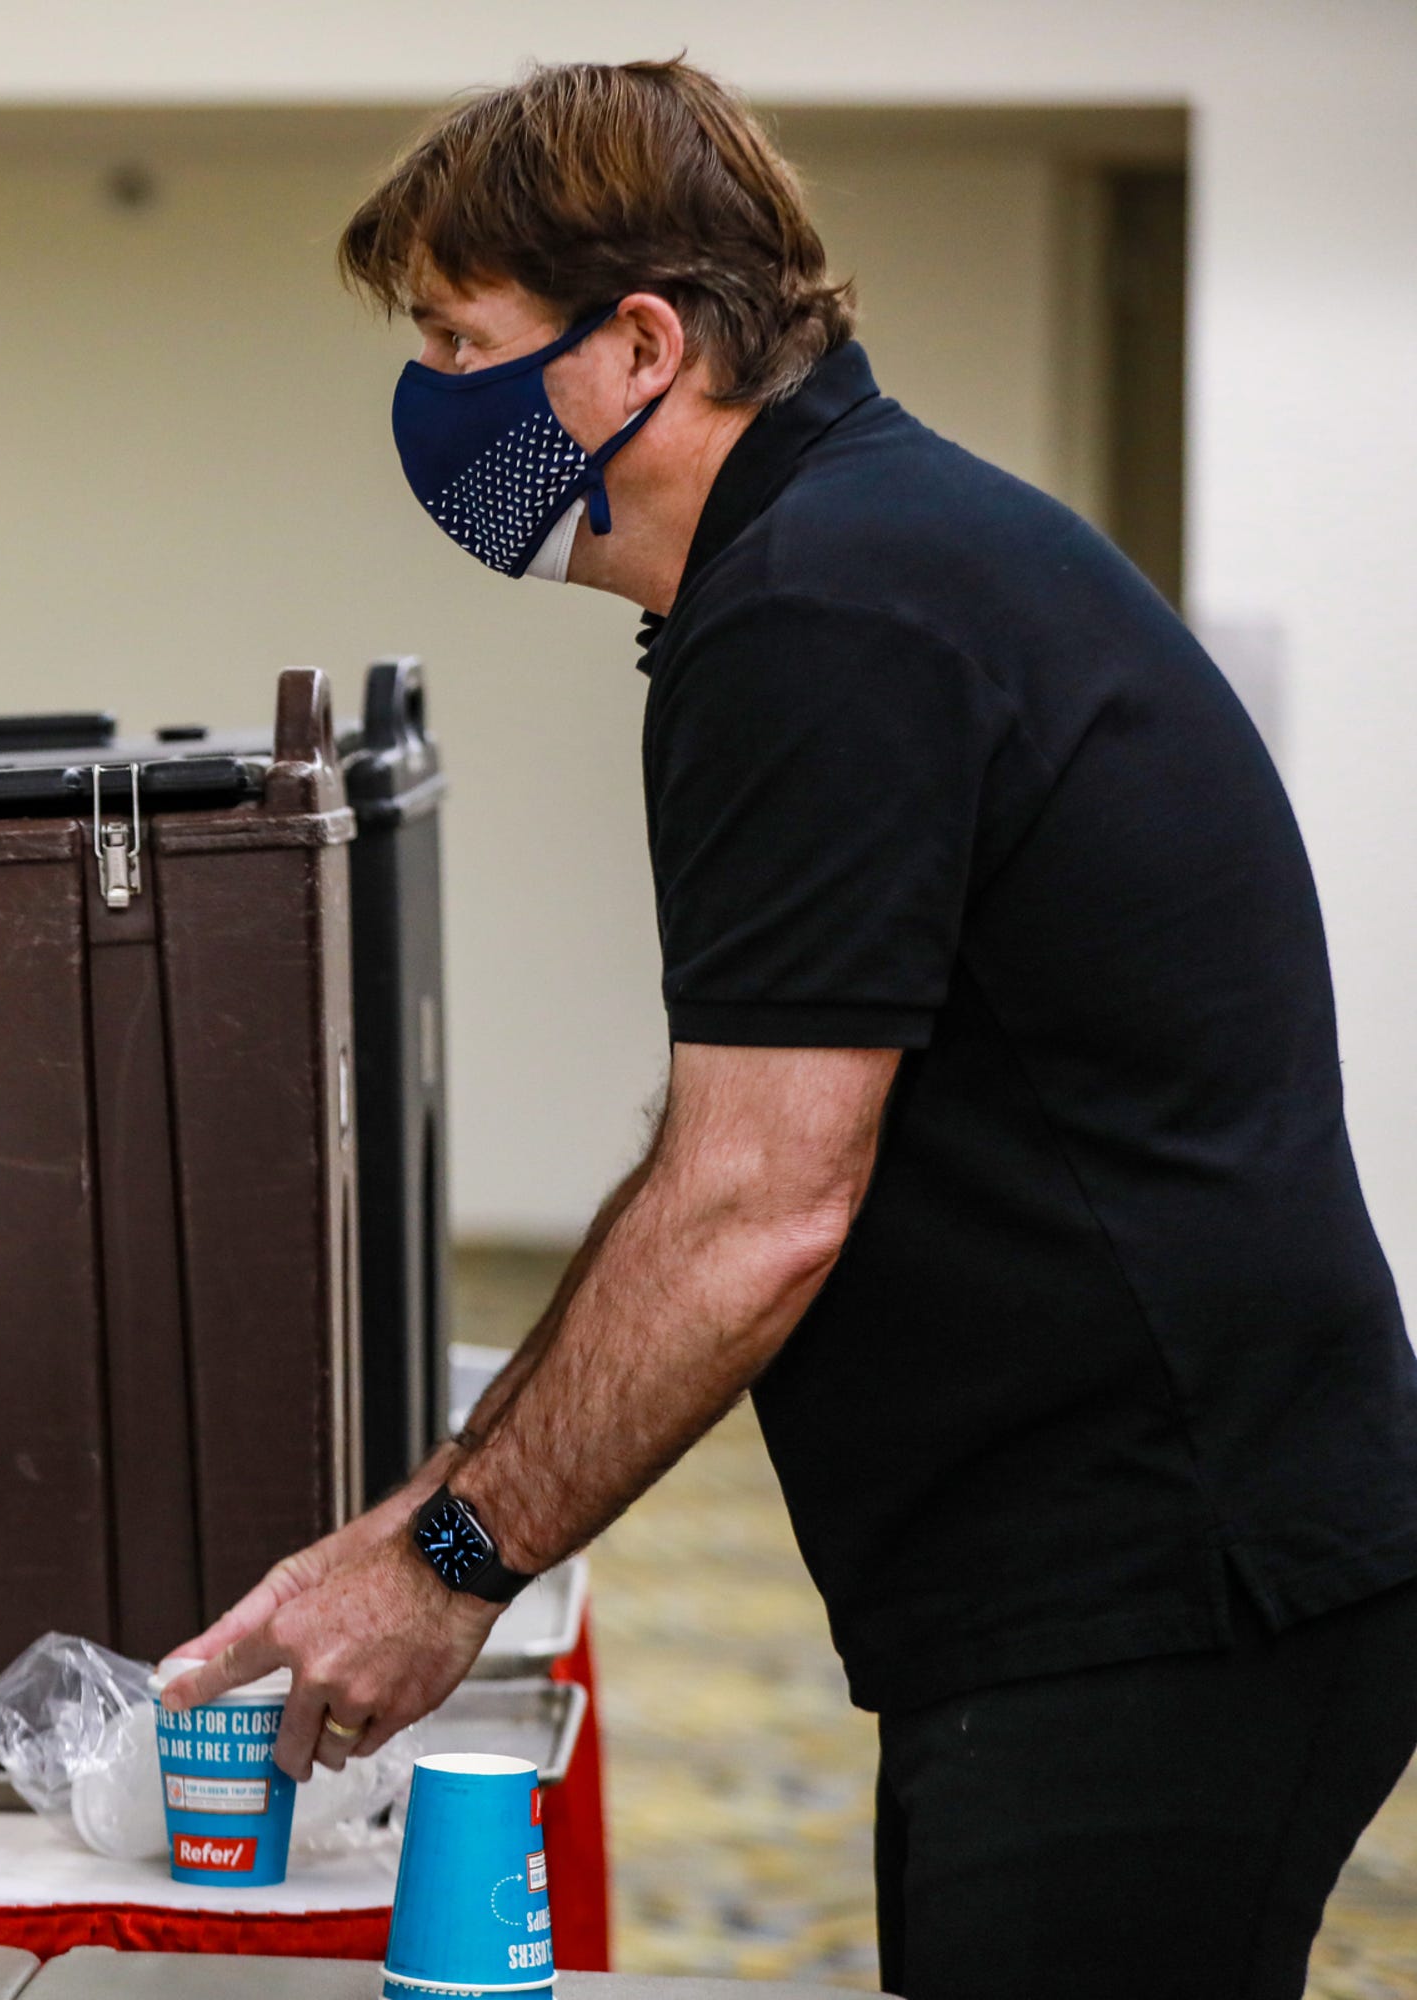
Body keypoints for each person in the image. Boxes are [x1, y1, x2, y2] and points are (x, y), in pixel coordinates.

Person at [168, 59, 1417, 1996]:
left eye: (461, 342)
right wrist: (450, 1490)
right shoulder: (854, 552)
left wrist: (445, 1565)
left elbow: (759, 1211)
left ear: (640, 345)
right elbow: (720, 1149)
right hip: (1123, 1571)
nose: (429, 399)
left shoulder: (822, 608)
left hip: (1161, 1585)